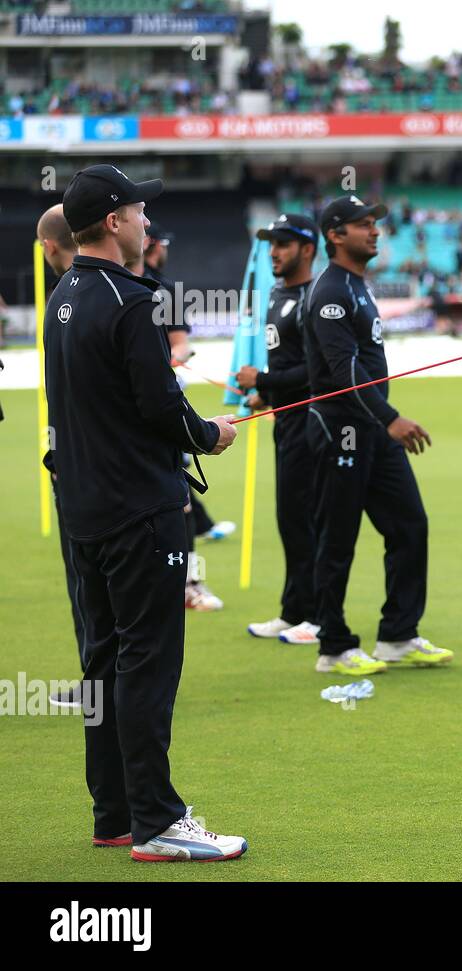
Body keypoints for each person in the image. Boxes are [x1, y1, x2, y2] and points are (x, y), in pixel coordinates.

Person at [45, 164, 245, 860]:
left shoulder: (63, 294)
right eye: (137, 211)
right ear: (112, 222)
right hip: (139, 510)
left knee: (103, 664)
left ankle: (116, 813)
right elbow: (160, 406)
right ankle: (157, 819)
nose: (146, 222)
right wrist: (209, 434)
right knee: (147, 664)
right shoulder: (131, 300)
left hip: (84, 508)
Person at [303, 194, 452, 675]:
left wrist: (382, 422)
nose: (375, 231)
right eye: (363, 224)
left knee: (410, 526)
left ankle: (398, 635)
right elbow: (343, 368)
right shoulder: (329, 291)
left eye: (375, 224)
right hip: (341, 429)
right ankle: (334, 646)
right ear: (335, 234)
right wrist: (389, 417)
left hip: (372, 430)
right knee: (337, 539)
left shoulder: (357, 286)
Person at [237, 214, 322, 645]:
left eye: (284, 244)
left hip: (314, 425)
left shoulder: (315, 297)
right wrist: (266, 396)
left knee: (308, 521)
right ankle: (294, 611)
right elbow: (290, 366)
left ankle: (318, 615)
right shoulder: (276, 293)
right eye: (272, 243)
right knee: (289, 519)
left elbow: (318, 371)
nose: (274, 250)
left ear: (307, 249)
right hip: (285, 422)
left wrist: (264, 382)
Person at [142, 225, 235, 611]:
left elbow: (180, 343)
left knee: (179, 499)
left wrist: (164, 362)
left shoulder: (165, 288)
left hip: (162, 400)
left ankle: (189, 583)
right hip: (126, 413)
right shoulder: (106, 283)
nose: (164, 250)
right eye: (162, 243)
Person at [36, 204, 86, 711]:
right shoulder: (122, 288)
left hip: (83, 469)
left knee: (89, 584)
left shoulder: (68, 296)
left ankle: (103, 686)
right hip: (108, 467)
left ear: (50, 245)